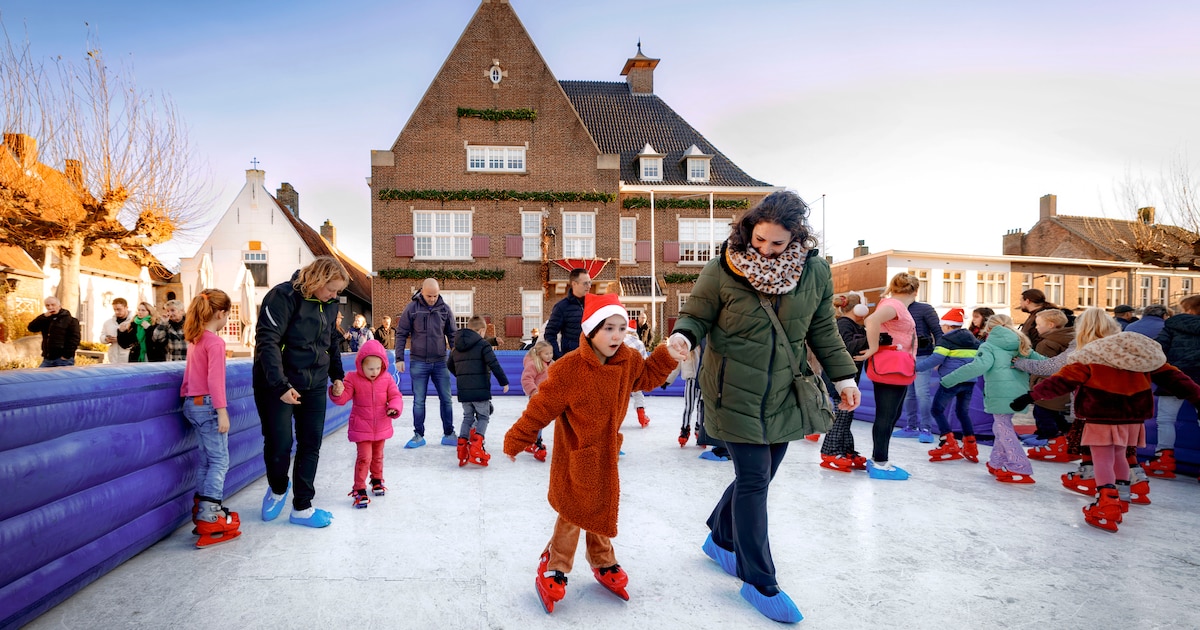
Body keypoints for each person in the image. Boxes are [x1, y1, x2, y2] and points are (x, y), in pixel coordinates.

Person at [668, 191, 859, 623]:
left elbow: (823, 330)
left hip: (783, 392)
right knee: (754, 479)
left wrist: (843, 376)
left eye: (776, 243)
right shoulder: (722, 268)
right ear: (747, 230)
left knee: (760, 476)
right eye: (759, 239)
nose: (766, 250)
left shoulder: (815, 273)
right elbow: (696, 314)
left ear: (795, 237)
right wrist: (684, 335)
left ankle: (719, 536)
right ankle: (758, 577)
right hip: (731, 390)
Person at [504, 293, 683, 614]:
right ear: (590, 331)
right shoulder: (569, 368)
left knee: (600, 507)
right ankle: (554, 564)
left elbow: (648, 375)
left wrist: (668, 353)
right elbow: (542, 406)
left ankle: (602, 560)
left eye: (621, 328)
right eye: (609, 329)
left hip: (606, 451)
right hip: (576, 452)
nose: (617, 336)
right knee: (573, 512)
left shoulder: (627, 361)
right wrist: (519, 437)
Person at [1013, 308, 1200, 532]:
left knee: (1102, 459)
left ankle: (1107, 502)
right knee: (1121, 455)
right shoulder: (1138, 350)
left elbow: (1063, 381)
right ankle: (1122, 498)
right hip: (1133, 417)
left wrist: (1030, 395)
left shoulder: (1090, 354)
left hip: (1101, 415)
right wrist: (1196, 396)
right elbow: (1174, 377)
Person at [253, 256, 348, 529]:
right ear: (317, 280)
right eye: (331, 288)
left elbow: (331, 341)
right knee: (279, 443)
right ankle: (278, 488)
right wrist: (280, 385)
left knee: (310, 444)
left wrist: (337, 375)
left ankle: (302, 506)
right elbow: (267, 342)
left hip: (315, 381)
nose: (335, 295)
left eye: (338, 291)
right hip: (277, 383)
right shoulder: (281, 296)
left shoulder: (329, 304)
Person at [940, 314, 1040, 484]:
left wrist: (949, 379)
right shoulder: (1021, 343)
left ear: (990, 329)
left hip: (999, 392)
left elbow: (977, 366)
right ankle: (997, 462)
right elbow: (1042, 363)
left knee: (1003, 428)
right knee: (1000, 426)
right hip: (1019, 392)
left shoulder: (990, 346)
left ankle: (1019, 466)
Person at [179, 289, 241, 548]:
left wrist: (187, 399)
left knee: (206, 460)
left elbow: (188, 376)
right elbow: (215, 380)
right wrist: (222, 410)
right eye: (228, 314)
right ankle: (210, 515)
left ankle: (203, 508)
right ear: (221, 313)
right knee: (219, 461)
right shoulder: (215, 342)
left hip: (192, 404)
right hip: (208, 406)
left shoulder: (194, 339)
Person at [854, 273, 919, 480]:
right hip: (892, 366)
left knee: (891, 414)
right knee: (886, 414)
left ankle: (880, 459)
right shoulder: (895, 306)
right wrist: (873, 347)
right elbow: (872, 320)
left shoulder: (894, 305)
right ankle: (880, 461)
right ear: (916, 291)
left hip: (898, 366)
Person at [329, 339, 402, 509]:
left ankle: (377, 479)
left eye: (378, 368)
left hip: (381, 425)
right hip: (362, 427)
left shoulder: (387, 378)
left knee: (378, 456)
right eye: (370, 368)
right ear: (361, 364)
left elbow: (395, 397)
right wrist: (336, 392)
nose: (374, 372)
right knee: (364, 458)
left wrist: (394, 408)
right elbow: (343, 399)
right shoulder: (352, 378)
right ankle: (359, 488)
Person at [394, 278, 457, 448]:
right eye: (429, 296)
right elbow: (401, 334)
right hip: (418, 362)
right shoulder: (412, 308)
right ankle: (418, 435)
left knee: (447, 399)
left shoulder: (444, 309)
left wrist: (457, 357)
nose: (432, 299)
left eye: (435, 296)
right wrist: (399, 358)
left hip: (440, 362)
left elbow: (453, 335)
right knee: (419, 400)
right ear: (422, 292)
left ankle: (449, 433)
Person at [914, 307, 982, 463]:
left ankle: (948, 442)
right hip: (969, 381)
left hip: (951, 380)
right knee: (962, 412)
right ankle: (971, 445)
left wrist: (915, 367)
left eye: (942, 326)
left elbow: (935, 359)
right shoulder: (972, 339)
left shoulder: (947, 340)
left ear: (947, 326)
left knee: (937, 410)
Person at [1145, 295, 1200, 478]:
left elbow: (1158, 349)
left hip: (1175, 377)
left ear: (1189, 309)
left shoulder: (1173, 323)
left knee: (1166, 419)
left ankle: (1164, 458)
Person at [448, 315, 509, 467]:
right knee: (483, 416)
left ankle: (462, 448)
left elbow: (449, 365)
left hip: (464, 390)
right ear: (482, 331)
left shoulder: (456, 347)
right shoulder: (483, 345)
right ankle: (476, 446)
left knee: (467, 417)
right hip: (480, 389)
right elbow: (494, 364)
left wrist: (461, 376)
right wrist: (504, 382)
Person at [818, 292, 870, 471]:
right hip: (839, 379)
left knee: (847, 416)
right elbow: (847, 347)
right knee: (841, 416)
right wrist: (871, 339)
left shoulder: (854, 325)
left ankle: (846, 449)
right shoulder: (843, 324)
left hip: (848, 378)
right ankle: (830, 451)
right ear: (858, 308)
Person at [894, 296, 943, 442]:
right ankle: (911, 426)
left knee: (922, 393)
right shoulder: (894, 308)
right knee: (909, 394)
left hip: (923, 355)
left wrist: (939, 355)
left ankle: (926, 428)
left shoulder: (924, 308)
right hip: (904, 357)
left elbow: (937, 331)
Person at [1023, 309, 1074, 447]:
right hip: (1063, 386)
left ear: (1050, 325)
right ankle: (1064, 432)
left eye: (1038, 324)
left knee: (1042, 412)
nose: (1036, 327)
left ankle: (1048, 436)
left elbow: (1044, 367)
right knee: (1054, 414)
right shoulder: (1070, 338)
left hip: (1048, 386)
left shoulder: (1047, 343)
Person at [519, 340, 554, 461]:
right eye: (546, 354)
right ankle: (536, 443)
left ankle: (531, 441)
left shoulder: (551, 364)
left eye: (551, 353)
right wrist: (533, 391)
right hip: (536, 397)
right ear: (539, 354)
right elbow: (526, 379)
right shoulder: (533, 364)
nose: (549, 356)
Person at [544, 268, 588, 359]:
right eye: (585, 283)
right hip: (573, 359)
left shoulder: (593, 304)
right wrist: (558, 357)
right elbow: (550, 334)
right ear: (574, 284)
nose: (589, 286)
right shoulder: (561, 307)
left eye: (590, 282)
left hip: (593, 359)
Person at [28, 295, 81, 368]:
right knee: (41, 377)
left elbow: (75, 339)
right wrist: (43, 317)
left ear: (59, 306)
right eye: (47, 305)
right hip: (48, 358)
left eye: (53, 305)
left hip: (63, 359)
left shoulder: (71, 320)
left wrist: (66, 355)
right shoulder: (46, 320)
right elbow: (31, 328)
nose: (50, 307)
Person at [623, 326, 653, 428]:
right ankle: (642, 416)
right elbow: (645, 359)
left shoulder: (620, 341)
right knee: (638, 394)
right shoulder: (640, 343)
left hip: (621, 373)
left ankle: (613, 419)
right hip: (634, 373)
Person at [99, 297, 131, 364]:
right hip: (113, 359)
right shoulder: (108, 323)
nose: (116, 312)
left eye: (119, 309)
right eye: (114, 309)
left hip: (128, 359)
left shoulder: (133, 322)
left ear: (126, 307)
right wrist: (106, 339)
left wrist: (120, 339)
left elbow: (136, 340)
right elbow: (102, 336)